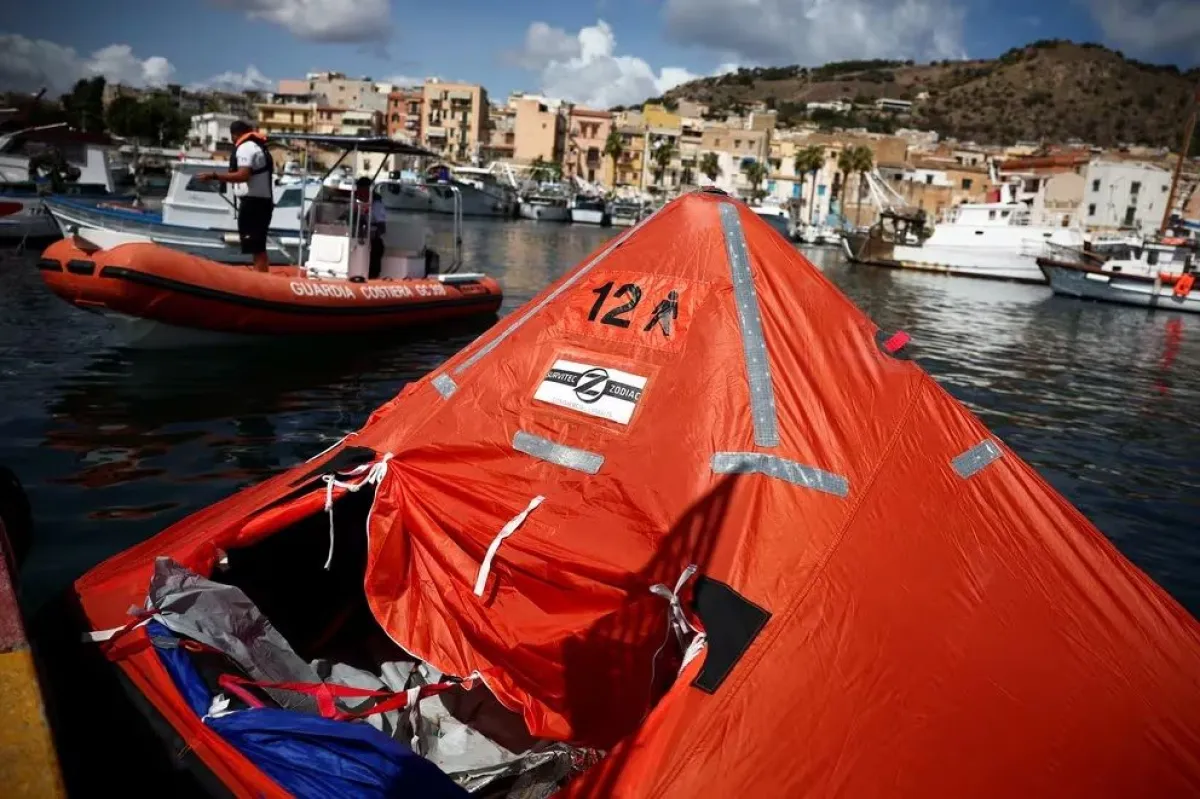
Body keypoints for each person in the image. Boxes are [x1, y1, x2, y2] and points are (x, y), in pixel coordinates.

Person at [197, 120, 274, 273]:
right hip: (262, 202)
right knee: (258, 246)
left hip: (253, 203)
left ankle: (261, 280)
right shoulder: (257, 147)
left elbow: (243, 175)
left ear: (234, 135)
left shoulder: (245, 148)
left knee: (255, 246)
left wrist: (214, 176)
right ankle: (263, 276)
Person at [353, 176, 388, 280]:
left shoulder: (377, 204)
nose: (361, 193)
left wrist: (371, 231)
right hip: (352, 237)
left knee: (376, 247)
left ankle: (372, 277)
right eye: (359, 189)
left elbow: (382, 227)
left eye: (364, 190)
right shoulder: (353, 201)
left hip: (371, 239)